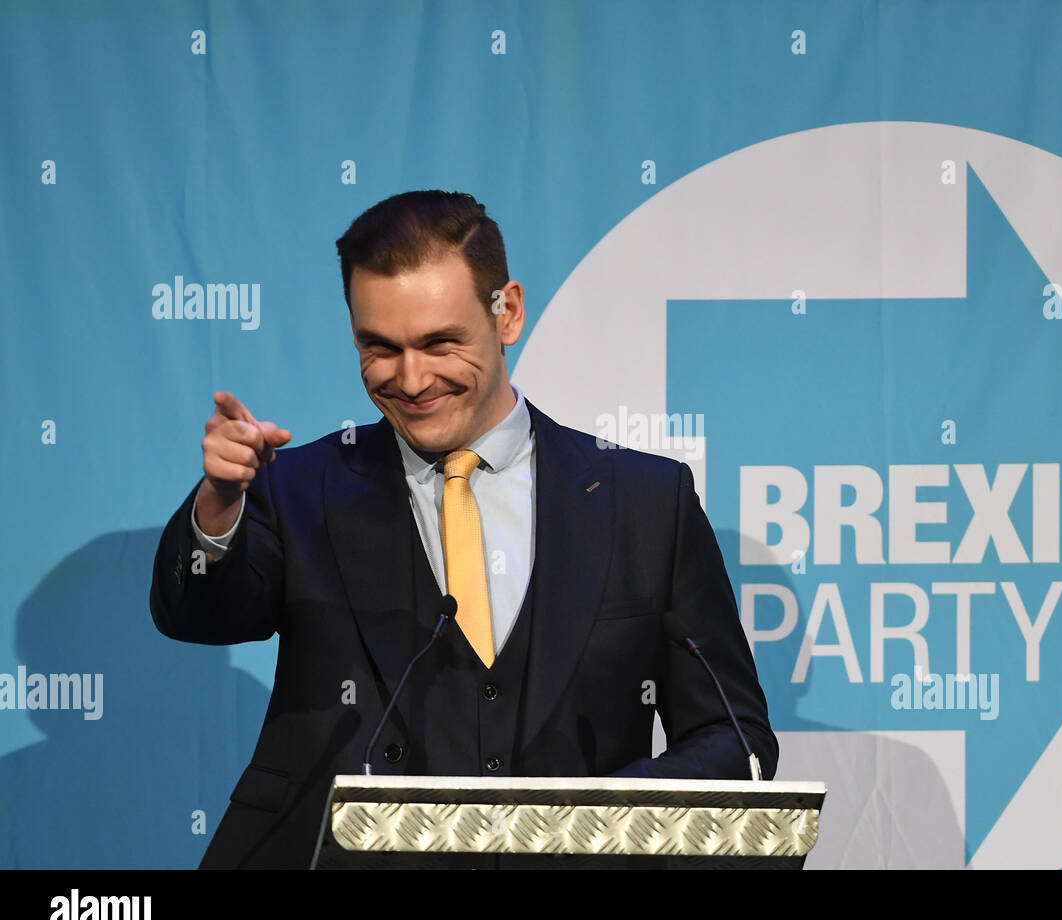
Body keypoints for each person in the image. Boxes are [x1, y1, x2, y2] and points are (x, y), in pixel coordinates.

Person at [149, 190, 777, 868]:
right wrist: (219, 506)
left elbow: (732, 734)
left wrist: (596, 819)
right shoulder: (298, 488)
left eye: (440, 342)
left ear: (506, 312)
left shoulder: (647, 503)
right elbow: (200, 612)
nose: (411, 378)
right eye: (379, 347)